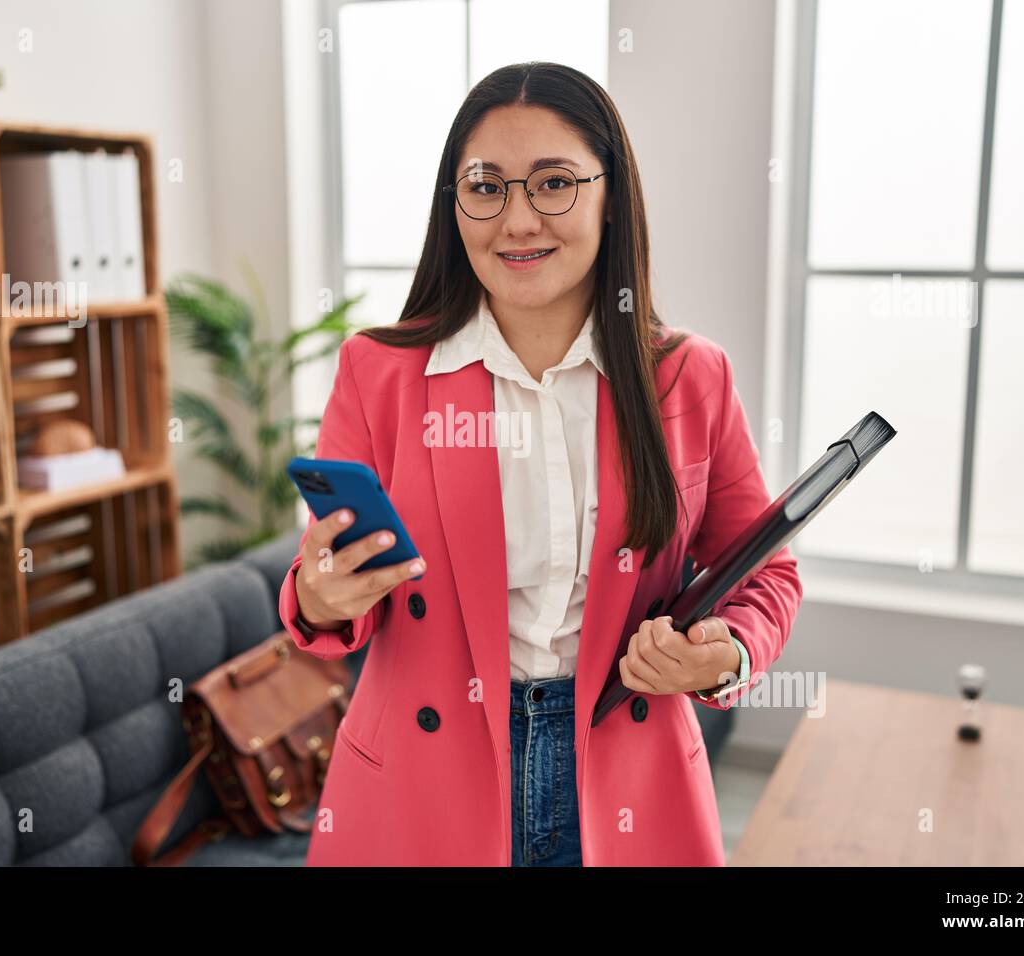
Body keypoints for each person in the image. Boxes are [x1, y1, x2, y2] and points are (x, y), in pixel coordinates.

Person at [278, 62, 802, 867]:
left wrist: (727, 650)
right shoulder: (378, 373)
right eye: (485, 188)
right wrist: (318, 597)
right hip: (424, 781)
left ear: (610, 195)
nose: (517, 219)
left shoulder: (690, 376)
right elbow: (331, 588)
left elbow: (768, 573)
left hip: (625, 776)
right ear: (454, 206)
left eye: (553, 183)